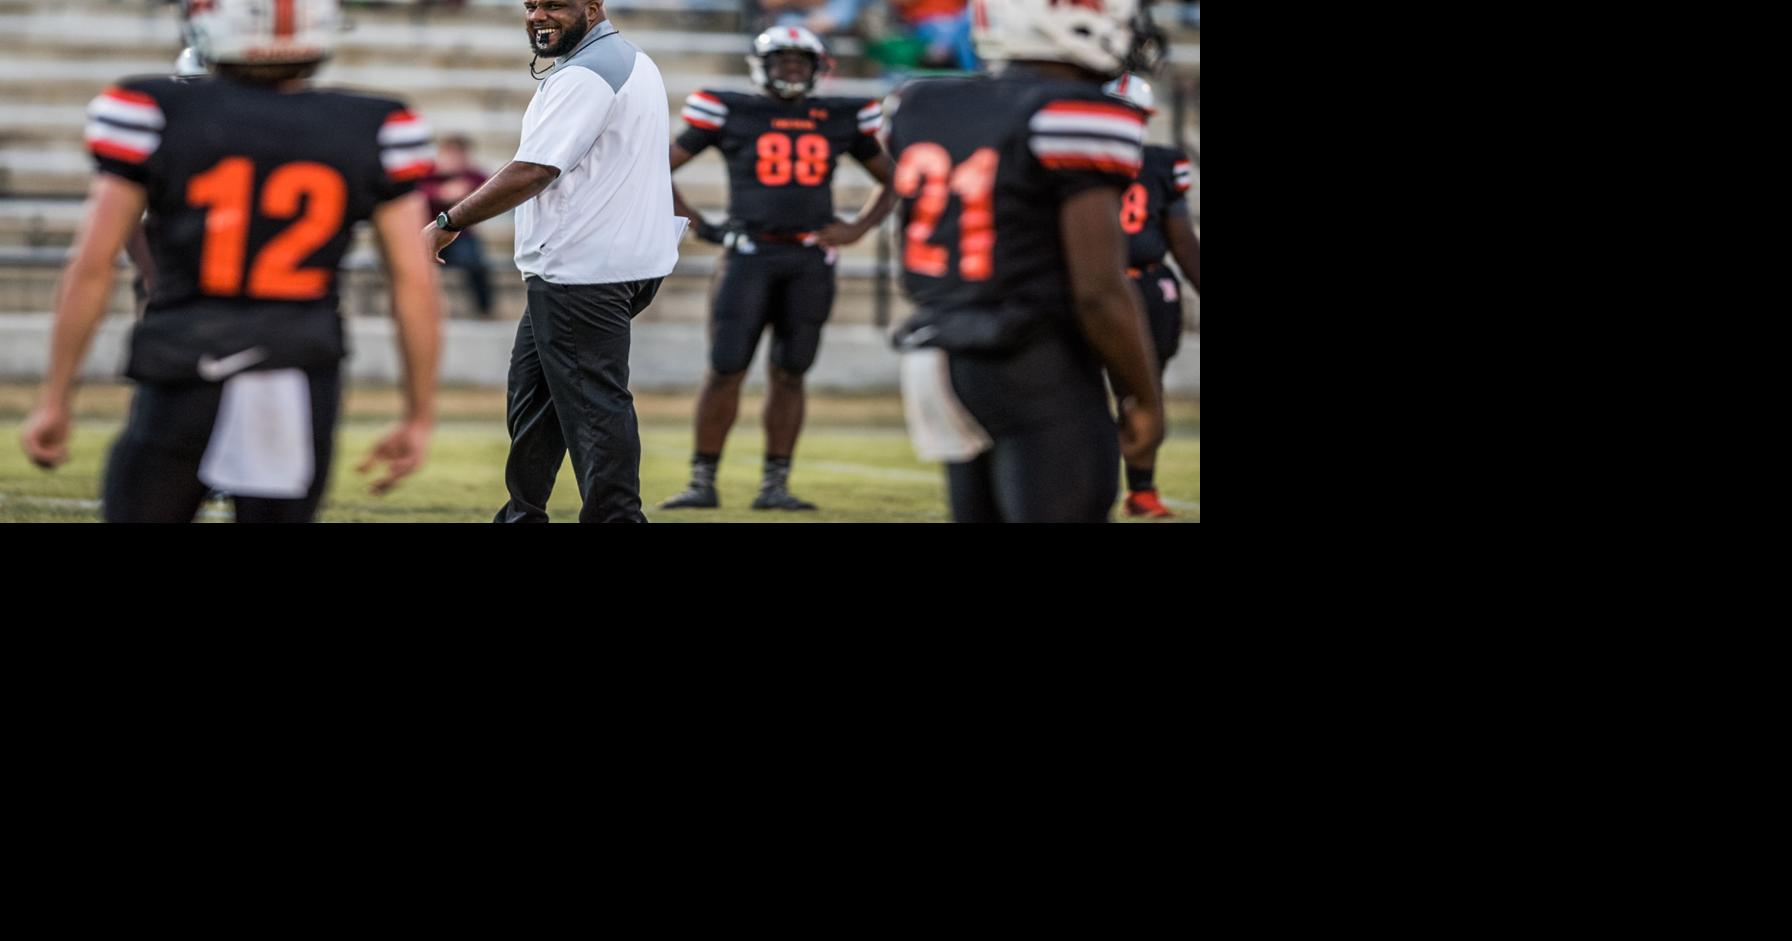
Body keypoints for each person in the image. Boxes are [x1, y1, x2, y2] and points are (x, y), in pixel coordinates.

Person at [20, 0, 442, 523]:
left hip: (184, 358)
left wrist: (57, 396)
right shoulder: (378, 123)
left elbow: (91, 264)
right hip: (297, 366)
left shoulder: (152, 109)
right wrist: (419, 414)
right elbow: (412, 282)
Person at [885, 0, 1166, 522]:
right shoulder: (1078, 112)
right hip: (1030, 356)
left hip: (938, 348)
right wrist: (1143, 398)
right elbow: (1099, 289)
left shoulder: (922, 101)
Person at [425, 0, 680, 523]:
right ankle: (522, 513)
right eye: (531, 4)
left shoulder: (585, 76)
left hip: (585, 271)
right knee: (535, 400)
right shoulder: (632, 59)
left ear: (592, 7)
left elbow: (533, 171)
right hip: (610, 264)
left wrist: (447, 223)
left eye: (555, 5)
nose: (539, 15)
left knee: (593, 407)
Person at [659, 25, 897, 511]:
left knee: (791, 372)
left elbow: (894, 179)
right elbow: (657, 166)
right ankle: (702, 481)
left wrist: (860, 227)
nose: (791, 68)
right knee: (726, 368)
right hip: (748, 254)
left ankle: (776, 486)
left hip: (809, 258)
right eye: (782, 60)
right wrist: (700, 224)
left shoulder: (839, 115)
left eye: (800, 61)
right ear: (761, 66)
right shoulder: (732, 109)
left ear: (817, 69)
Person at [1103, 72, 1199, 518]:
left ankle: (1140, 488)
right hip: (1118, 283)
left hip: (1141, 282)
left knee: (1142, 391)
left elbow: (1182, 241)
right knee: (1132, 393)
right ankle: (1123, 488)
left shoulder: (1159, 163)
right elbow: (1183, 243)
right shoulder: (1081, 160)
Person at [419, 135, 494, 319]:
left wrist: (464, 191)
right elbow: (414, 194)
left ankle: (485, 310)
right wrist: (439, 193)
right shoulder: (428, 175)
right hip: (426, 236)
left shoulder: (474, 176)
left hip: (461, 237)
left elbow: (489, 192)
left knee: (477, 265)